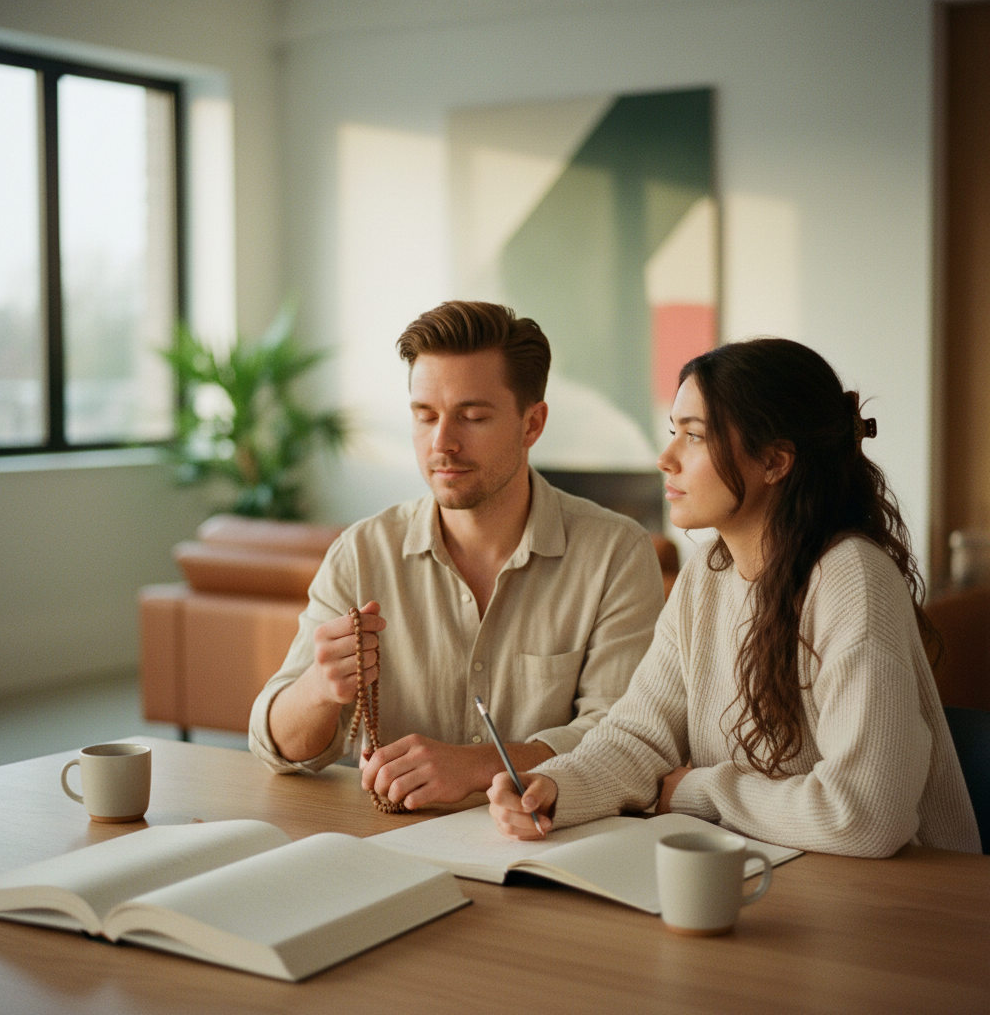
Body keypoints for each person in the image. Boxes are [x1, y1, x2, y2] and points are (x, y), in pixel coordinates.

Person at [489, 338, 981, 857]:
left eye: (695, 437)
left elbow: (866, 815)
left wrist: (701, 792)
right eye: (673, 431)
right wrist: (557, 787)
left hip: (904, 898)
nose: (666, 458)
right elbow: (640, 735)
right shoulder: (708, 572)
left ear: (774, 461)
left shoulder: (850, 577)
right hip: (770, 871)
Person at [248, 300, 666, 809]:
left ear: (532, 424)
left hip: (545, 849)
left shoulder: (616, 555)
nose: (441, 443)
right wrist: (318, 687)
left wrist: (477, 764)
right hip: (391, 843)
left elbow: (624, 738)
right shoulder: (361, 553)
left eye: (472, 416)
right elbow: (277, 749)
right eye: (425, 416)